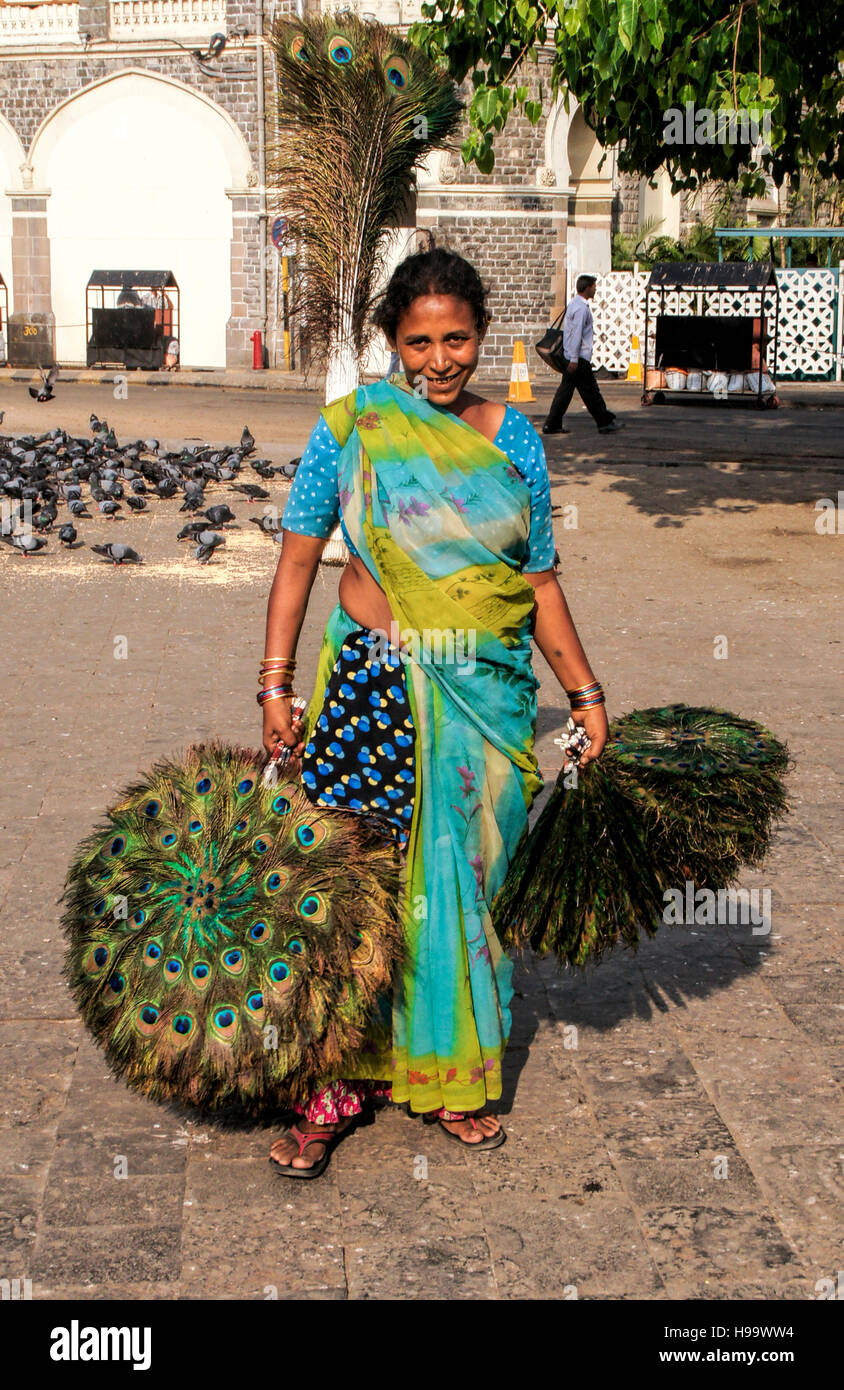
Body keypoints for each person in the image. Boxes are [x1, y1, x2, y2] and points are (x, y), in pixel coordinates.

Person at [262, 246, 609, 1176]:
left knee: (471, 882)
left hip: (484, 696)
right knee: (355, 887)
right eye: (419, 342)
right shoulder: (355, 429)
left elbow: (536, 579)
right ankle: (333, 1085)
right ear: (391, 343)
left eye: (457, 339)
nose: (440, 360)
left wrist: (584, 693)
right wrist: (275, 684)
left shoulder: (516, 442)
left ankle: (452, 1075)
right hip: (373, 689)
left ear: (482, 336)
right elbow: (298, 560)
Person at [542, 274, 623, 436]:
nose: (595, 289)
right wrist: (573, 359)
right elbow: (577, 334)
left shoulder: (574, 304)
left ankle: (552, 423)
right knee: (591, 391)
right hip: (578, 358)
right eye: (594, 286)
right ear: (587, 288)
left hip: (572, 356)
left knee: (565, 392)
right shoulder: (581, 309)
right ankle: (604, 422)